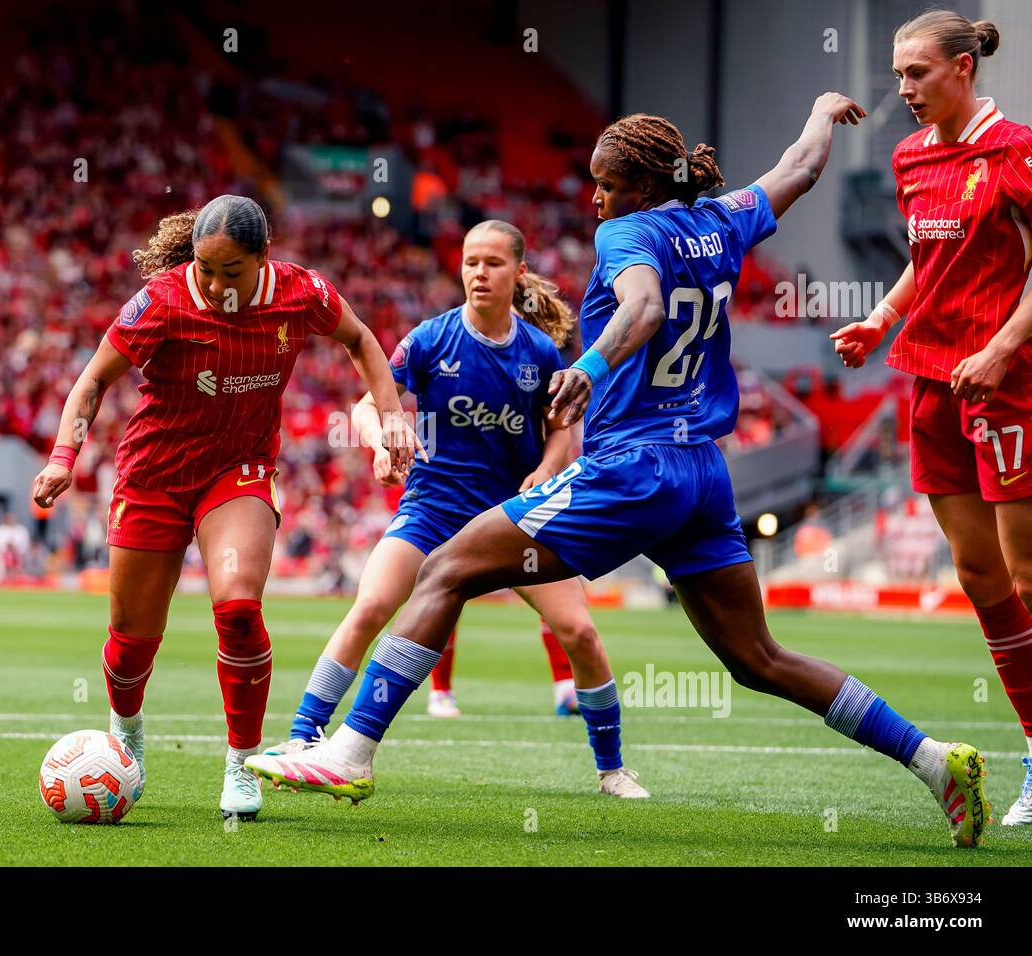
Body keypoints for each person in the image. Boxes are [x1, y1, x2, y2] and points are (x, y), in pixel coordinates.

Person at [247, 97, 995, 849]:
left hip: (635, 467)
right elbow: (798, 168)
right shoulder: (725, 218)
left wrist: (589, 365)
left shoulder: (627, 232)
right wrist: (822, 116)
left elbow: (640, 307)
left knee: (444, 569)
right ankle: (933, 761)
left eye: (605, 183)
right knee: (759, 658)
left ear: (639, 185)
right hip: (704, 472)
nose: (594, 196)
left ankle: (349, 752)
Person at [31, 195, 420, 821]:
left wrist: (392, 414)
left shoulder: (302, 292)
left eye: (230, 271)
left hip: (238, 471)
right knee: (132, 645)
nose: (214, 285)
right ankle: (126, 735)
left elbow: (361, 338)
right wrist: (61, 456)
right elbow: (94, 379)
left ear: (263, 257)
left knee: (238, 608)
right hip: (154, 475)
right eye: (205, 270)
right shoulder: (161, 300)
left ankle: (242, 761)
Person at [262, 220, 646, 799]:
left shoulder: (540, 353)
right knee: (370, 607)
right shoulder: (429, 341)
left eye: (493, 263)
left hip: (512, 518)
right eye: (470, 262)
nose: (478, 274)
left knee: (580, 632)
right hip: (433, 510)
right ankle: (301, 738)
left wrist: (546, 470)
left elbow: (564, 431)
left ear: (518, 272)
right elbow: (368, 406)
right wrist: (381, 440)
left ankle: (612, 770)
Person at [831, 10, 1032, 827]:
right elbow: (928, 260)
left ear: (962, 69)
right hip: (931, 382)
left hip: (1006, 386)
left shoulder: (1015, 150)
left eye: (916, 74)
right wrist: (882, 318)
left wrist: (1003, 349)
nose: (902, 90)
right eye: (897, 74)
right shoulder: (911, 158)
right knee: (981, 580)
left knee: (1025, 579)